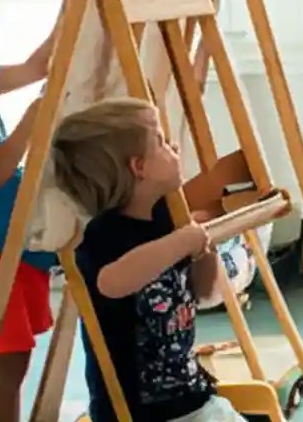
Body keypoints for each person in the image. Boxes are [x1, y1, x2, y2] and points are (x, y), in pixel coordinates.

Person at [52, 98, 239, 421]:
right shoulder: (105, 233)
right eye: (162, 142)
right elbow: (110, 282)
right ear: (139, 167)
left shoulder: (169, 216)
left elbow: (206, 293)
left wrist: (203, 252)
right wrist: (180, 242)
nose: (174, 147)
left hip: (190, 398)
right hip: (137, 412)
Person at [0, 0, 59, 422]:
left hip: (5, 245)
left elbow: (36, 67)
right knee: (2, 366)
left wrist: (76, 8)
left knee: (10, 364)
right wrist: (31, 123)